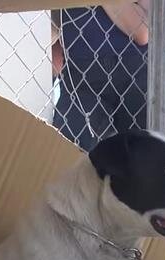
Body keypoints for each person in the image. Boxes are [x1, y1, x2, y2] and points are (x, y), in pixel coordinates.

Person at [50, 2, 150, 152]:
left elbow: (142, 30)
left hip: (136, 67)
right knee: (71, 149)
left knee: (145, 153)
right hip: (81, 72)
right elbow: (55, 31)